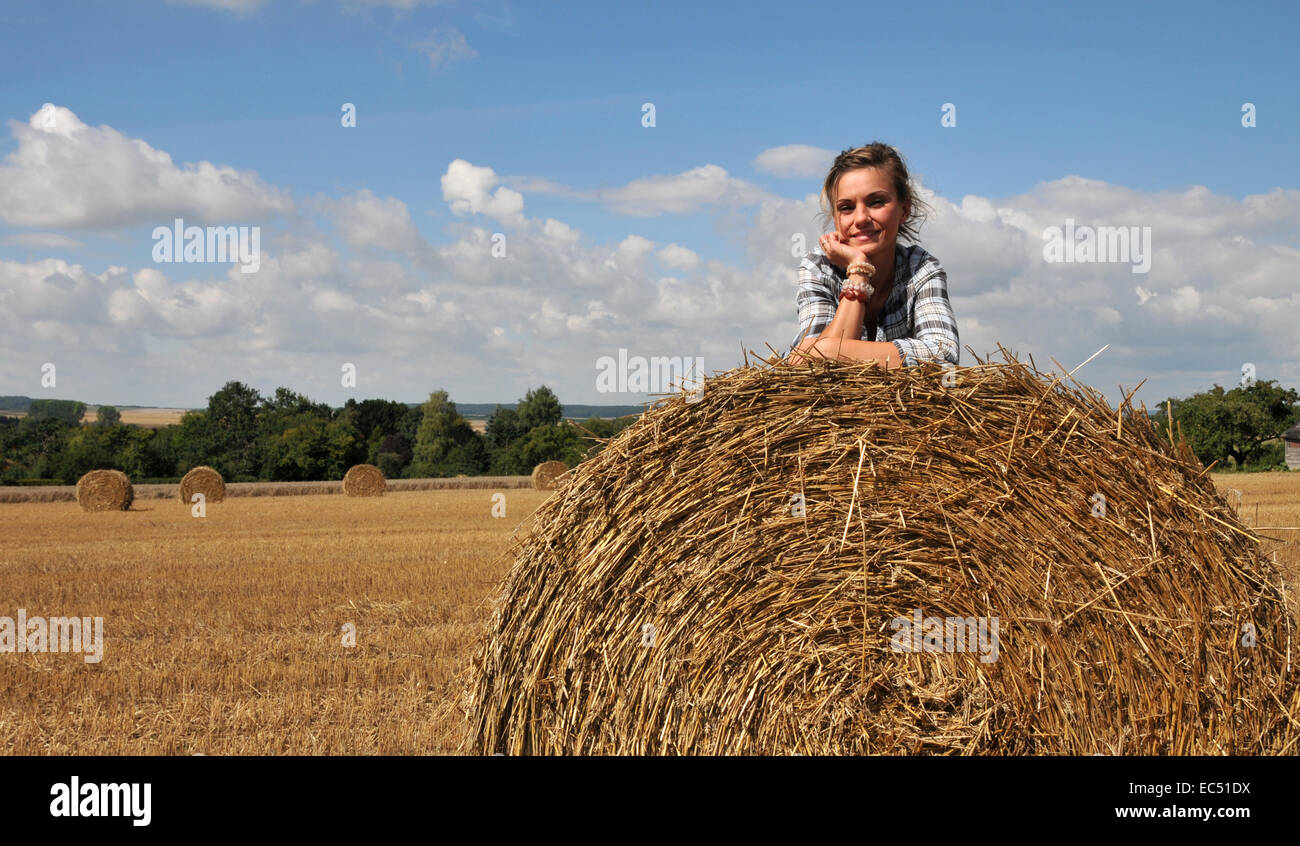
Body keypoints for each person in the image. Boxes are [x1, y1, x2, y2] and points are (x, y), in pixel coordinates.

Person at [786, 142, 959, 369]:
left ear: (904, 210)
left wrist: (828, 351)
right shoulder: (818, 267)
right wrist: (858, 270)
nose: (860, 219)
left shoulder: (922, 269)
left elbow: (942, 354)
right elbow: (807, 367)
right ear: (836, 216)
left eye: (876, 202)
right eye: (846, 207)